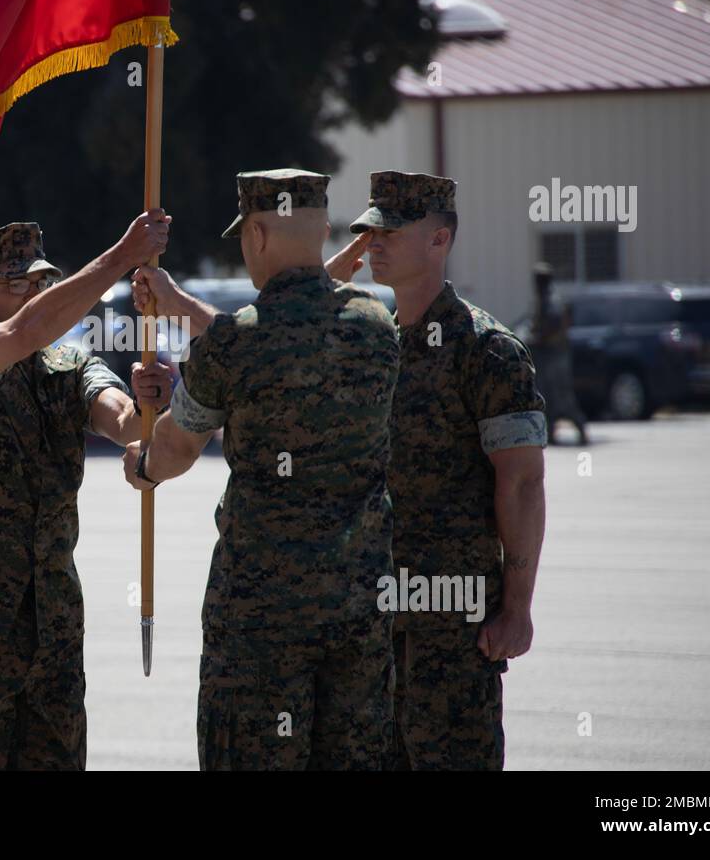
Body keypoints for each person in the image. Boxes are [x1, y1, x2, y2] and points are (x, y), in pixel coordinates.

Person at [123, 169, 400, 770]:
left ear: (255, 233)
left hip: (261, 616)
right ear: (323, 230)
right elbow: (295, 334)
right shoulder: (377, 327)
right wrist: (175, 305)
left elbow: (174, 451)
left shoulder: (236, 345)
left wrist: (141, 463)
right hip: (359, 603)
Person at [0, 216, 172, 770]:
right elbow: (24, 333)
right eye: (18, 283)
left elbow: (119, 420)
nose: (35, 292)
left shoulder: (68, 368)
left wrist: (150, 405)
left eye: (41, 280)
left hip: (51, 632)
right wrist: (122, 256)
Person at [340, 170, 548, 770]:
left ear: (439, 240)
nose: (373, 243)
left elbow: (523, 482)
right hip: (374, 620)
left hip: (452, 625)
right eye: (369, 232)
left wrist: (517, 607)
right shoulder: (375, 344)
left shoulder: (486, 350)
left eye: (390, 232)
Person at [529, 262, 589, 445]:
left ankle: (580, 427)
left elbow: (555, 324)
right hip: (546, 355)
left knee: (562, 396)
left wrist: (540, 335)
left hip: (556, 356)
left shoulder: (552, 299)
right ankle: (551, 433)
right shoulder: (542, 299)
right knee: (546, 396)